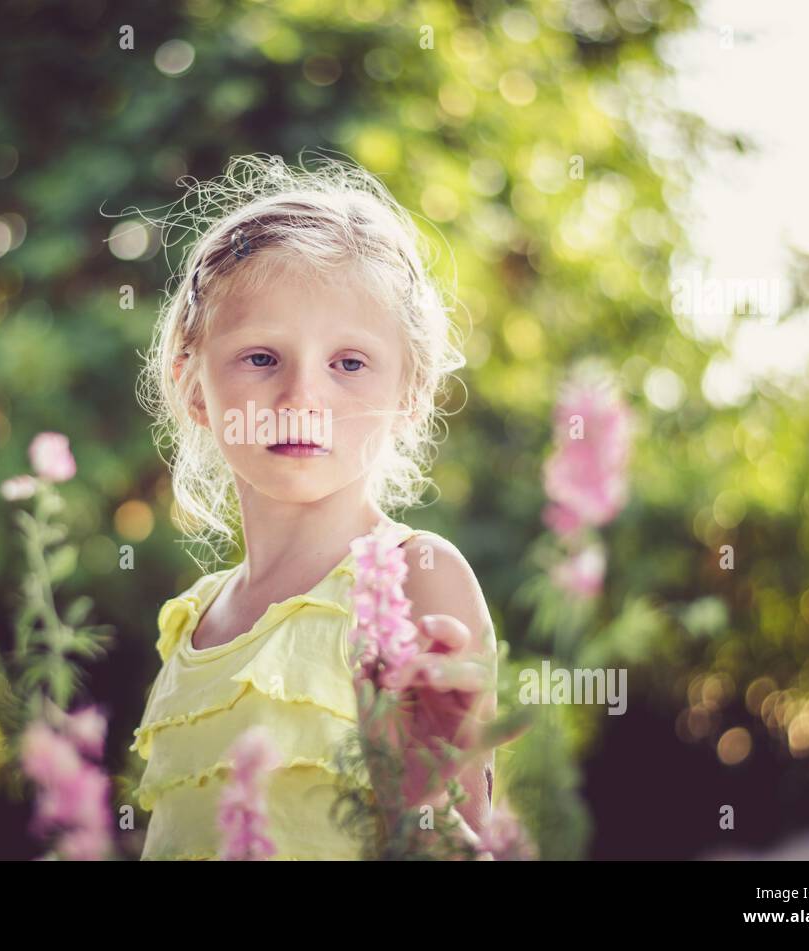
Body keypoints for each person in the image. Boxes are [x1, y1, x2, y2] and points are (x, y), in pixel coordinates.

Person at [129, 152, 499, 859]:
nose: (303, 398)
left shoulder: (416, 577)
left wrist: (417, 787)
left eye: (350, 363)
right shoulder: (191, 622)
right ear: (195, 386)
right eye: (262, 357)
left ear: (411, 394)